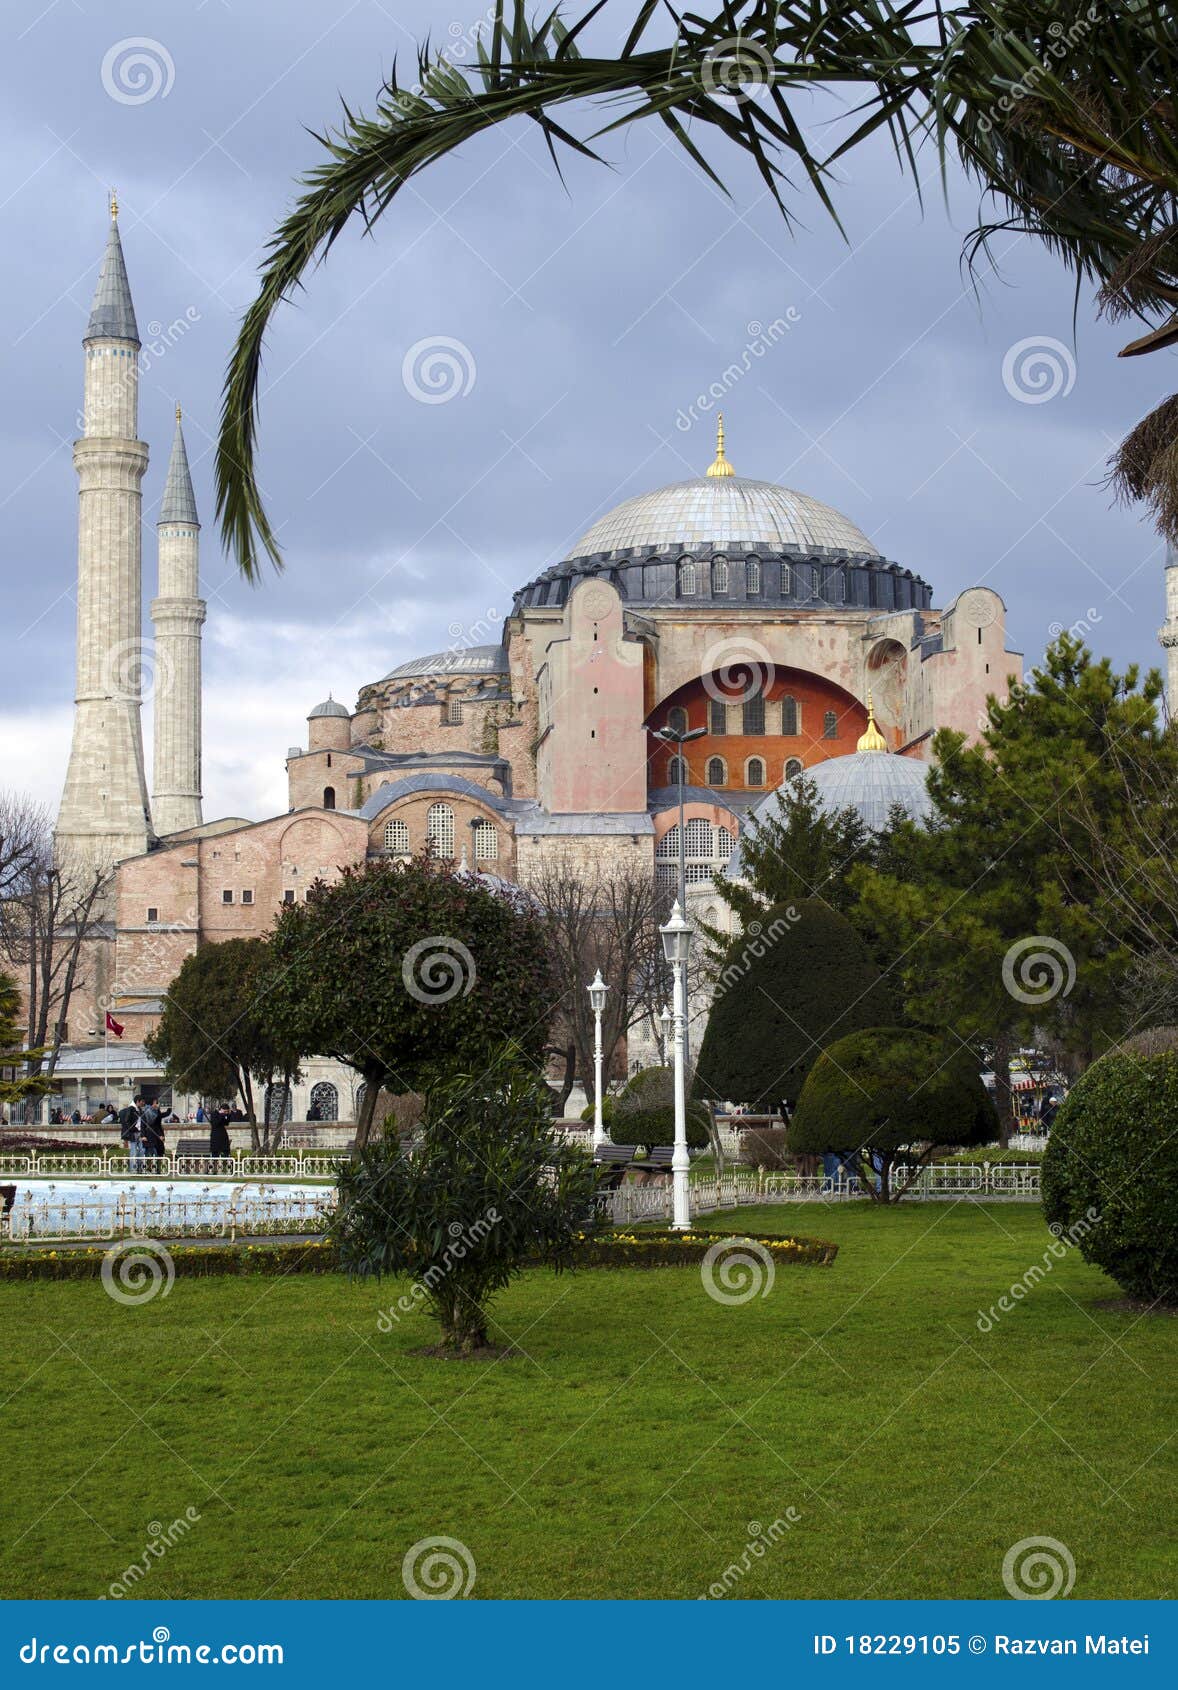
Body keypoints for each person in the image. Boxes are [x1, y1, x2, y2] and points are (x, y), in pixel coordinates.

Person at [119, 1097, 145, 1172]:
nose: (143, 1103)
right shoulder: (131, 1109)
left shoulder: (139, 1109)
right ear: (137, 1101)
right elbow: (127, 1121)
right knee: (134, 1151)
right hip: (133, 1133)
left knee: (141, 1150)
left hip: (139, 1132)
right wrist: (134, 1128)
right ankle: (133, 1169)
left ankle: (140, 1168)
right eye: (142, 1101)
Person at [139, 1097, 165, 1163]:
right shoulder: (146, 1113)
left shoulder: (156, 1112)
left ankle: (154, 1166)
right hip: (148, 1136)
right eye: (155, 1103)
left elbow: (158, 1126)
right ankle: (148, 1166)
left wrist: (161, 1135)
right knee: (150, 1152)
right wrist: (143, 1136)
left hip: (156, 1136)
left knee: (156, 1152)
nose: (157, 1105)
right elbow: (142, 1125)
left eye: (157, 1103)